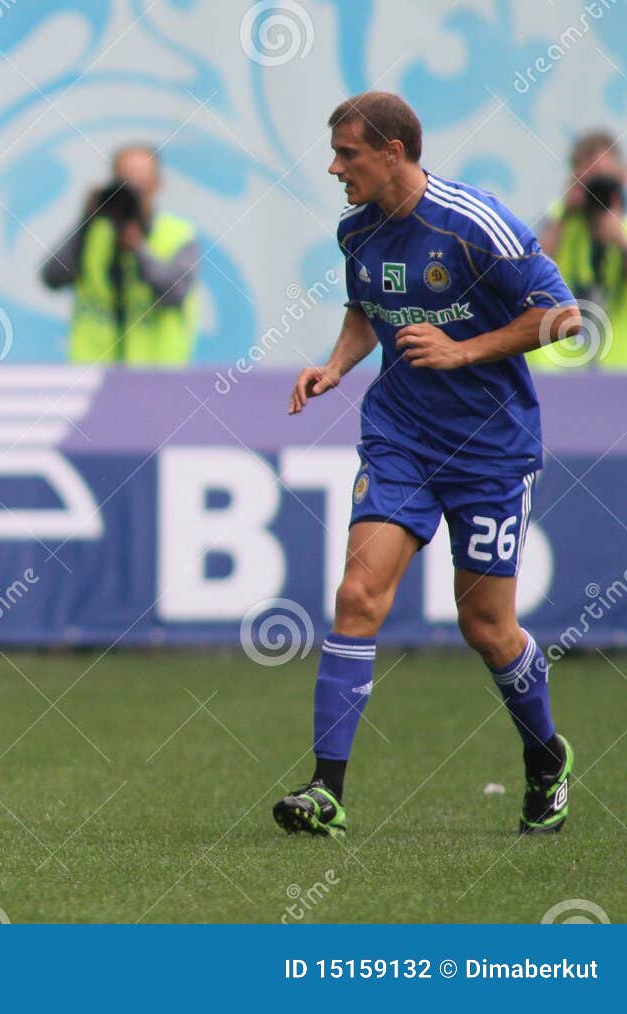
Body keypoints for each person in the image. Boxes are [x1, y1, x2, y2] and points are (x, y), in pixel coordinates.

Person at [280, 92, 580, 837]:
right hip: (400, 440)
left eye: (348, 153)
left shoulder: (475, 221)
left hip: (489, 451)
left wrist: (464, 350)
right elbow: (365, 310)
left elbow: (563, 314)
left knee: (486, 629)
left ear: (393, 152)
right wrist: (337, 367)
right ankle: (326, 790)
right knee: (357, 596)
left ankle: (547, 758)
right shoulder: (357, 232)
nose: (334, 166)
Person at [40, 144, 200, 364]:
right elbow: (52, 278)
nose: (132, 193)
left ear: (157, 185)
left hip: (157, 379)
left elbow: (173, 294)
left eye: (140, 186)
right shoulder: (94, 234)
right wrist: (85, 221)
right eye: (125, 184)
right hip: (93, 377)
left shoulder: (178, 236)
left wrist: (138, 248)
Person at [533, 130, 627, 369]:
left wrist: (617, 236)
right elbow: (529, 270)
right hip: (561, 355)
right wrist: (565, 210)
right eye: (590, 179)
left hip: (618, 358)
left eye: (604, 179)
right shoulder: (562, 218)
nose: (598, 190)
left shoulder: (622, 226)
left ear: (622, 176)